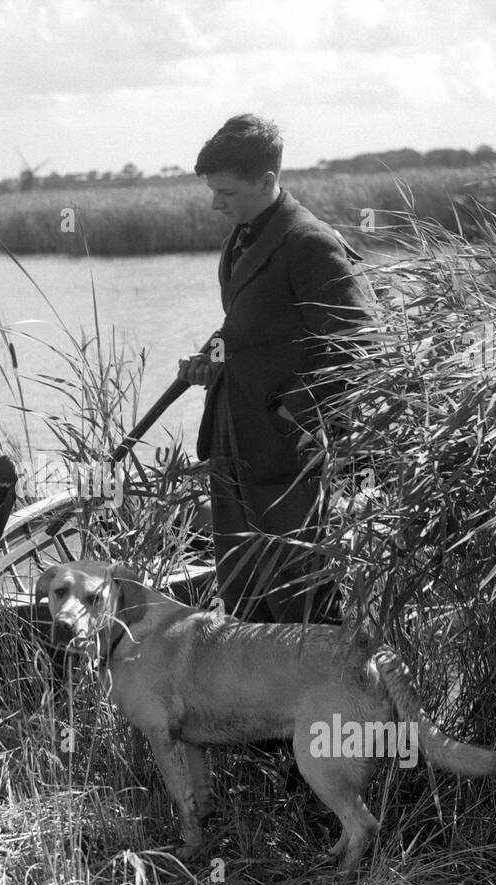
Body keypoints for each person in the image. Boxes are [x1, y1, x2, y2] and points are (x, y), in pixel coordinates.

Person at [177, 114, 370, 624]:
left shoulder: (309, 242)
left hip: (289, 456)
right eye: (212, 190)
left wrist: (295, 412)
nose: (215, 203)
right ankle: (249, 700)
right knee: (243, 595)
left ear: (266, 182)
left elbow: (360, 341)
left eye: (226, 192)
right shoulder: (243, 234)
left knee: (301, 599)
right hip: (234, 444)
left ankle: (326, 700)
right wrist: (209, 359)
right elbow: (243, 327)